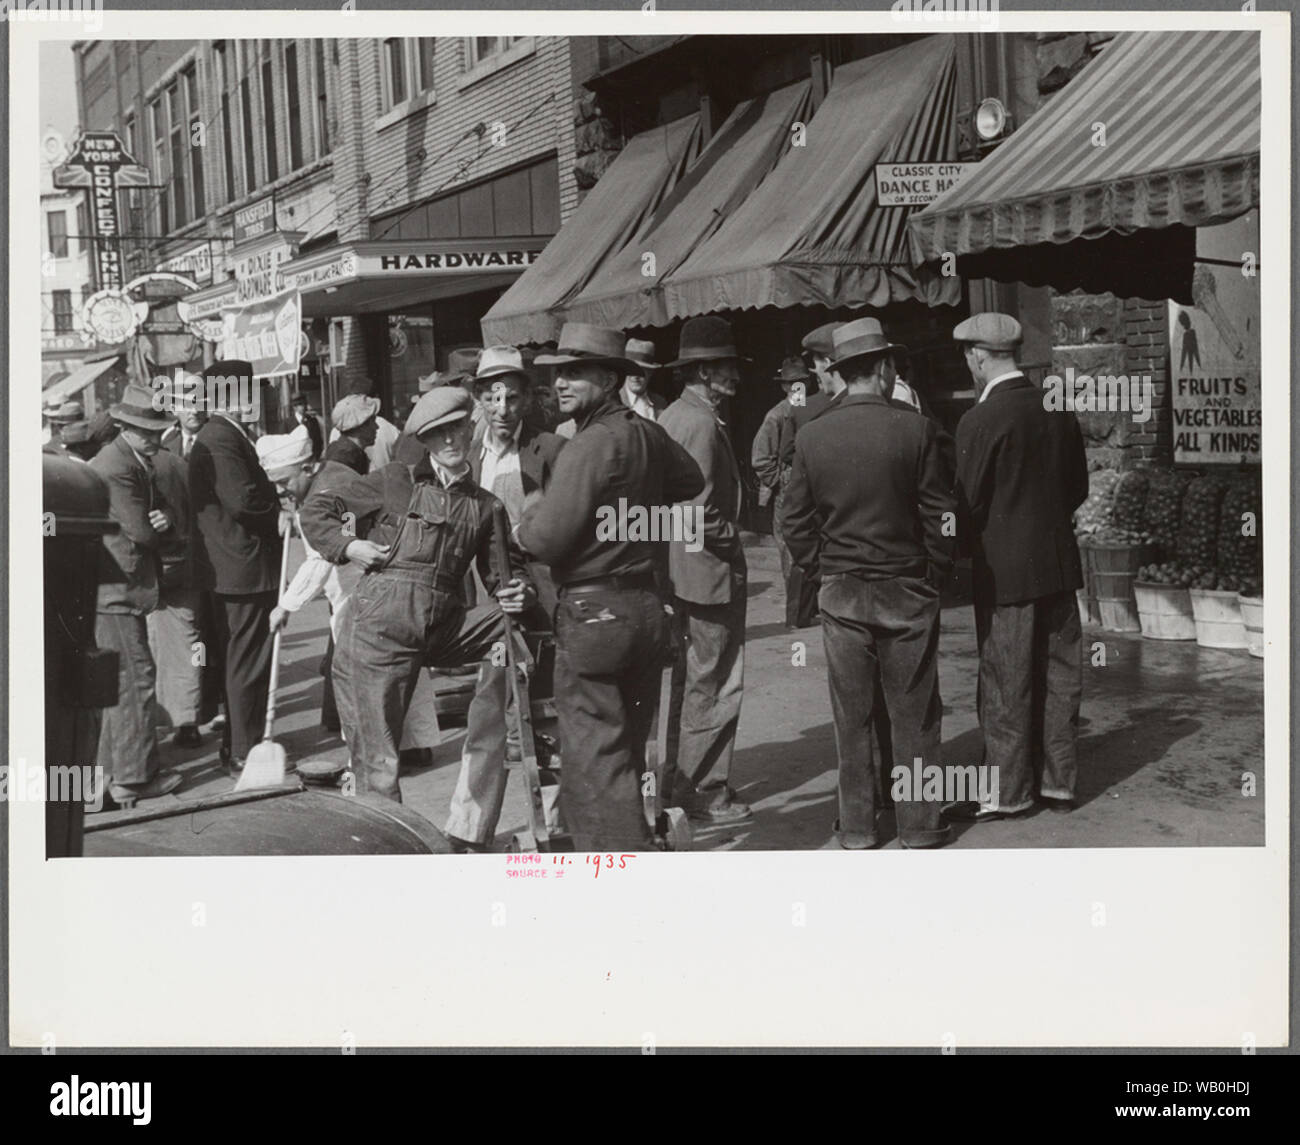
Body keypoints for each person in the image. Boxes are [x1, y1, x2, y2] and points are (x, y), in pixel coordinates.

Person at [299, 386, 535, 804]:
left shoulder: (486, 506)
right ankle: (390, 860)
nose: (449, 440)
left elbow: (504, 575)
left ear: (471, 430)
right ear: (424, 441)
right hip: (376, 637)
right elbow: (316, 512)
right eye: (437, 433)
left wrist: (518, 592)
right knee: (380, 769)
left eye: (457, 428)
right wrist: (350, 546)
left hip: (439, 629)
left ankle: (491, 765)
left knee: (507, 628)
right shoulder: (396, 481)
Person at [517, 322, 704, 850]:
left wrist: (527, 518)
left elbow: (547, 540)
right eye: (558, 375)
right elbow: (689, 482)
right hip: (645, 608)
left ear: (609, 378)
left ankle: (619, 879)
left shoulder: (588, 445)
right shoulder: (647, 432)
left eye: (575, 373)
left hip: (594, 613)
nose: (561, 384)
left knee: (595, 758)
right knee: (625, 748)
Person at [781, 319, 957, 850]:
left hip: (842, 592)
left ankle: (856, 828)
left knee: (851, 716)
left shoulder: (812, 434)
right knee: (915, 715)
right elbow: (941, 514)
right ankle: (920, 827)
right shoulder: (916, 428)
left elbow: (793, 523)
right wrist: (936, 569)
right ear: (884, 368)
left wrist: (822, 570)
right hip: (906, 588)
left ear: (839, 372)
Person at [948, 313, 1088, 822]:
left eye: (968, 358)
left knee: (1007, 680)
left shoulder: (978, 422)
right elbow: (1077, 488)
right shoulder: (1056, 407)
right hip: (1059, 567)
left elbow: (967, 505)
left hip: (1005, 574)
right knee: (1060, 676)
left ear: (978, 358)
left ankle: (1008, 792)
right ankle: (1059, 783)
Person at [444, 345, 566, 850]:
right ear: (478, 399)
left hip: (547, 601)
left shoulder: (551, 449)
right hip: (492, 609)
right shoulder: (465, 456)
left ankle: (555, 828)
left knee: (548, 719)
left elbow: (569, 529)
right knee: (489, 713)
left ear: (525, 399)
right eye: (492, 397)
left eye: (511, 398)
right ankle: (470, 829)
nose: (502, 409)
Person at [658, 316, 752, 825]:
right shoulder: (697, 422)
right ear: (702, 371)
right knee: (715, 685)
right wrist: (733, 544)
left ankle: (680, 783)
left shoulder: (677, 415)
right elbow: (695, 510)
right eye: (725, 366)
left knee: (691, 682)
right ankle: (704, 794)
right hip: (708, 574)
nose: (734, 374)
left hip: (683, 571)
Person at [88, 381, 184, 808]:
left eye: (158, 430)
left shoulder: (126, 458)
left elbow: (153, 516)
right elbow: (142, 530)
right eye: (147, 430)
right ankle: (134, 779)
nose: (155, 438)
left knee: (116, 686)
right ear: (125, 425)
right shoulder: (118, 466)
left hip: (111, 589)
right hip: (116, 592)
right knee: (135, 681)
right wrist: (161, 527)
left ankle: (103, 783)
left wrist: (162, 519)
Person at [188, 359, 284, 777]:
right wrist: (277, 506)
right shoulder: (222, 437)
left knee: (237, 660)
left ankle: (238, 746)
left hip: (232, 569)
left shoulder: (219, 434)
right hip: (243, 570)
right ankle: (245, 751)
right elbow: (244, 500)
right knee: (248, 663)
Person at [148, 383, 205, 749]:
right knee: (173, 644)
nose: (193, 411)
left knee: (187, 643)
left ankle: (186, 719)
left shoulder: (171, 457)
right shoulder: (169, 449)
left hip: (183, 561)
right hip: (168, 566)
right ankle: (176, 717)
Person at [751, 356, 808, 628]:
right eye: (793, 384)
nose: (798, 388)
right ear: (784, 387)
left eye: (803, 383)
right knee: (790, 551)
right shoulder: (776, 416)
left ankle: (809, 608)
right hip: (787, 491)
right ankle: (795, 615)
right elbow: (761, 458)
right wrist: (780, 481)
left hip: (810, 487)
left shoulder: (811, 410)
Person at [291, 394, 325, 461]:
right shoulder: (287, 423)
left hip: (311, 460)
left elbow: (318, 441)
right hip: (295, 461)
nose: (304, 407)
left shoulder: (313, 421)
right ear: (294, 407)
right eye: (300, 405)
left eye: (304, 404)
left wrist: (316, 457)